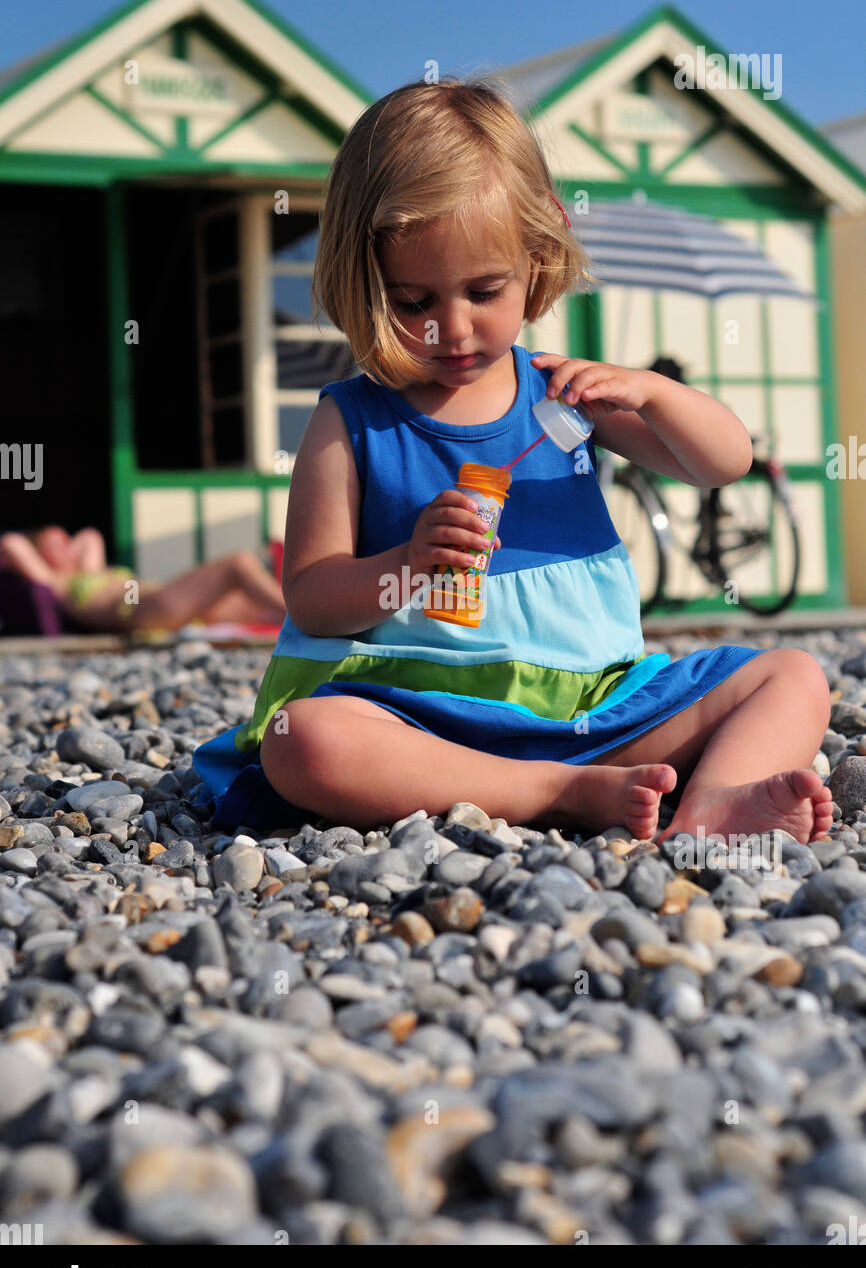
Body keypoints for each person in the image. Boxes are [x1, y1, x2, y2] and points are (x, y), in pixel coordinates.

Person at [193, 76, 833, 847]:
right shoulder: (350, 422)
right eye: (414, 301)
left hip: (591, 710)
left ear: (537, 259)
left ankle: (715, 806)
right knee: (306, 741)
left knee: (791, 675)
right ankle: (558, 793)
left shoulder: (563, 398)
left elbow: (722, 463)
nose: (451, 329)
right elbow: (313, 595)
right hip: (423, 723)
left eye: (483, 290)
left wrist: (656, 394)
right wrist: (406, 563)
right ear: (365, 284)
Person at [0, 525, 286, 633]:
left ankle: (319, 623)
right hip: (139, 609)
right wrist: (40, 543)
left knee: (248, 604)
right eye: (53, 545)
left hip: (155, 597)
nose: (64, 547)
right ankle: (298, 611)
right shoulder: (54, 582)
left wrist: (62, 546)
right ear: (38, 553)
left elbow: (89, 535)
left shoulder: (88, 571)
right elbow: (12, 541)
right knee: (238, 564)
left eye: (65, 539)